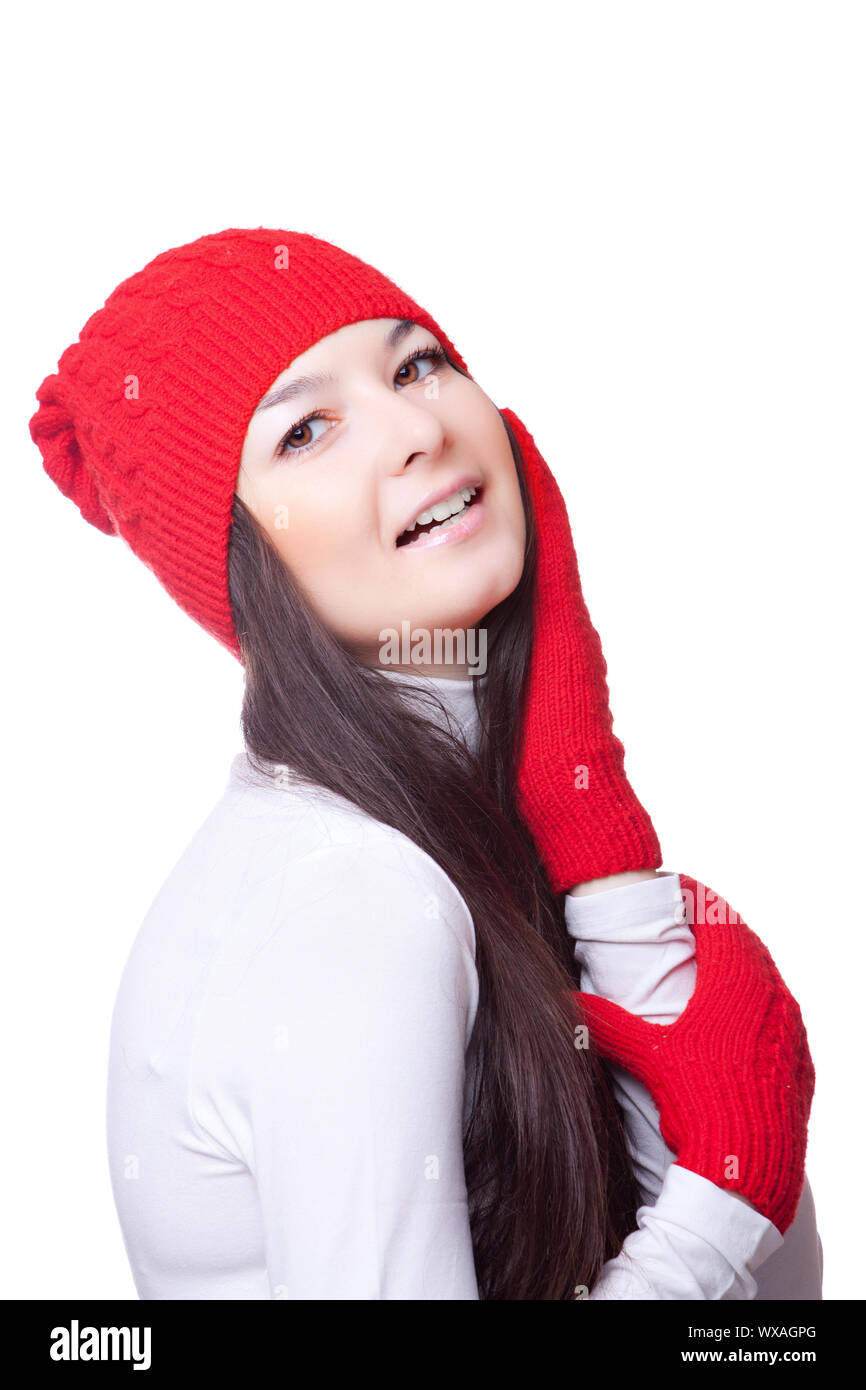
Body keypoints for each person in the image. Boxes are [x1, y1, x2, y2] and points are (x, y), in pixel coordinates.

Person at [29, 227, 820, 1300]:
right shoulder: (351, 905)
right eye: (306, 431)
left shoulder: (461, 849)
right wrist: (716, 1214)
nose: (415, 429)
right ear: (236, 564)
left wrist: (597, 834)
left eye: (417, 365)